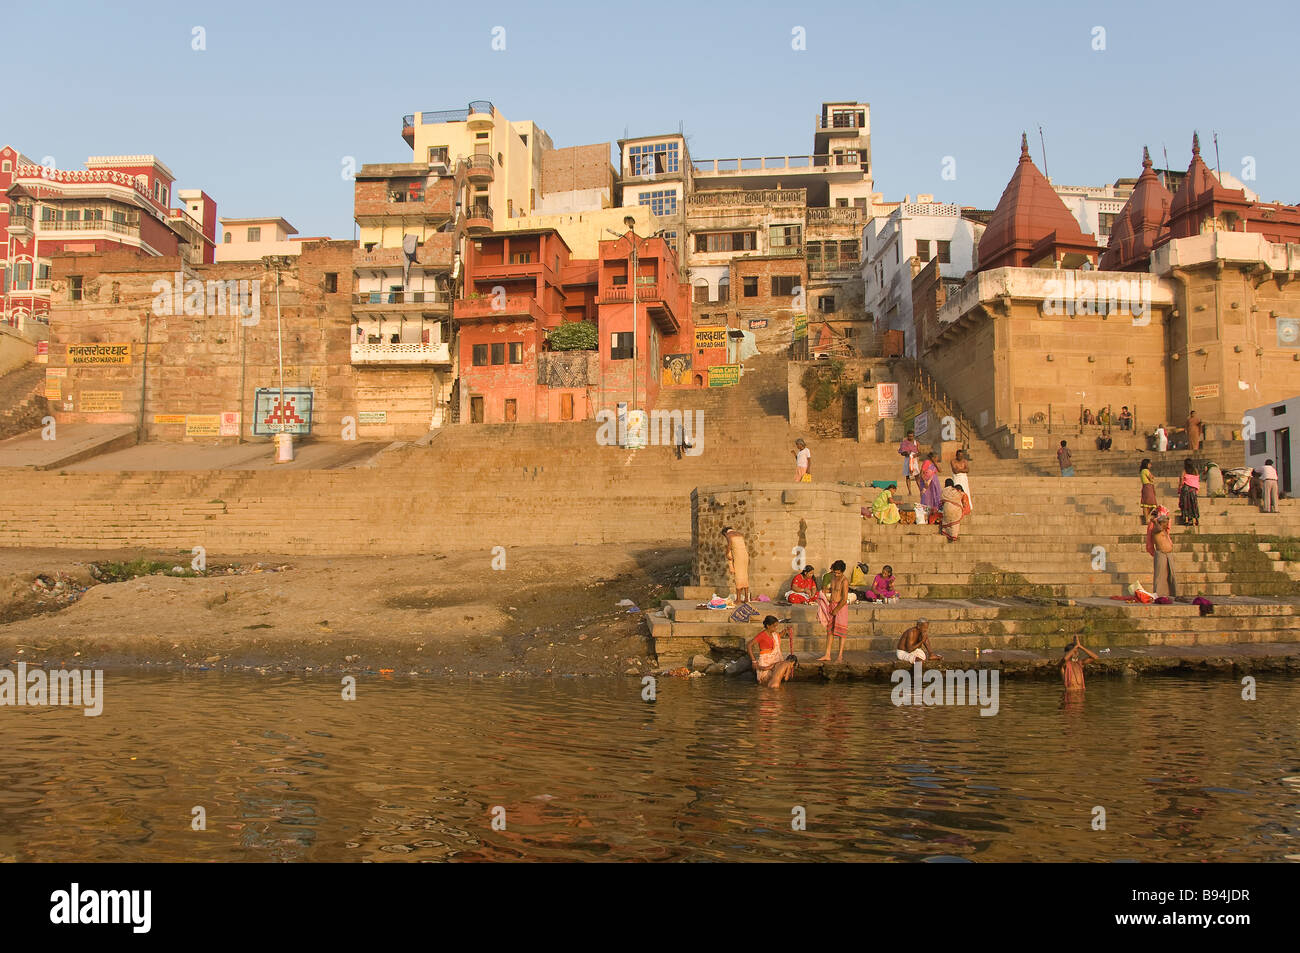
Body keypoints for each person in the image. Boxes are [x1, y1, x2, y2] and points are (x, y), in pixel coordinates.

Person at [815, 560, 849, 662]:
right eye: (835, 572)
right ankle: (827, 654)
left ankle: (840, 656)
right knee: (829, 631)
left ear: (842, 572)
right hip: (832, 605)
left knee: (841, 632)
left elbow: (844, 598)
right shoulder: (833, 578)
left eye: (839, 573)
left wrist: (836, 610)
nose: (836, 574)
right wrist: (826, 591)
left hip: (841, 607)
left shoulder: (844, 581)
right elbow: (834, 590)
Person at [748, 616, 796, 688]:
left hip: (775, 660)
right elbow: (749, 645)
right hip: (765, 661)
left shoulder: (774, 634)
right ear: (768, 626)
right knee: (764, 683)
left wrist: (786, 630)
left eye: (777, 626)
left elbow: (778, 636)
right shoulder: (762, 635)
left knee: (774, 680)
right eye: (774, 626)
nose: (776, 628)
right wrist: (753, 661)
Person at [1147, 508, 1177, 597]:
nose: (1166, 524)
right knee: (1160, 576)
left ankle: (1171, 593)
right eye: (1165, 522)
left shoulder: (1164, 530)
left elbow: (1168, 523)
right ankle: (1159, 594)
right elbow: (1159, 528)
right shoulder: (1156, 529)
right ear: (1160, 523)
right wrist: (1155, 521)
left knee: (1171, 574)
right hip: (1161, 554)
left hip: (1168, 554)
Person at [721, 527, 750, 604]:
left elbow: (729, 545)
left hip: (739, 556)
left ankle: (738, 599)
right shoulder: (739, 534)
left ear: (724, 533)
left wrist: (727, 553)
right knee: (745, 575)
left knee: (738, 576)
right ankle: (747, 598)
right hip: (745, 555)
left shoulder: (728, 535)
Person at [940, 478, 966, 543]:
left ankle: (947, 533)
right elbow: (961, 495)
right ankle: (954, 535)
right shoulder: (955, 491)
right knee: (955, 524)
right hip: (956, 509)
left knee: (947, 521)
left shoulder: (944, 491)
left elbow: (942, 500)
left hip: (946, 509)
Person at [1178, 458, 1200, 527]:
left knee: (1186, 505)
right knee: (1193, 505)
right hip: (1193, 490)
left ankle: (1187, 519)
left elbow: (1181, 480)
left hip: (1186, 489)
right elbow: (1197, 480)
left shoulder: (1184, 471)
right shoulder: (1195, 471)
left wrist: (1179, 488)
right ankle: (1195, 519)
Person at [898, 431, 920, 495]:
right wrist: (906, 453)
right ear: (907, 436)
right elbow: (901, 453)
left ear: (913, 436)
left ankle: (920, 490)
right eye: (909, 436)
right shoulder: (904, 443)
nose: (910, 437)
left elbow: (920, 452)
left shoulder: (917, 443)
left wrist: (915, 455)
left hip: (914, 460)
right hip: (907, 460)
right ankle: (910, 491)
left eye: (911, 436)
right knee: (907, 476)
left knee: (917, 476)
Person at [1139, 458, 1157, 525]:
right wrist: (1152, 477)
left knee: (1150, 504)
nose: (1150, 465)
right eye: (1149, 464)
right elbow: (1151, 478)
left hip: (1148, 487)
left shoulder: (1143, 471)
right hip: (1148, 487)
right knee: (1147, 504)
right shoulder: (1145, 470)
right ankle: (1146, 518)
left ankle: (1147, 517)